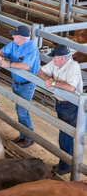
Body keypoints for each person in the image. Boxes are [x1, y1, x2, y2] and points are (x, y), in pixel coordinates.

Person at [38, 45, 83, 176]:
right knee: (64, 134)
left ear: (63, 58)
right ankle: (65, 162)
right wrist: (47, 79)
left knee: (66, 135)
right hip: (61, 103)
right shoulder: (56, 62)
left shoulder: (73, 67)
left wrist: (53, 84)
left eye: (55, 57)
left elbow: (71, 88)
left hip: (70, 105)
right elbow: (41, 72)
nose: (53, 59)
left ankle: (66, 165)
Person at [0, 25, 40, 149]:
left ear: (21, 38)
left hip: (27, 84)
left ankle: (29, 137)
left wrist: (8, 64)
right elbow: (3, 51)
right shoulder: (14, 44)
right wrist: (0, 56)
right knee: (19, 109)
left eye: (14, 35)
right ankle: (23, 134)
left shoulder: (31, 47)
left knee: (22, 111)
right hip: (16, 81)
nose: (12, 36)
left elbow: (27, 66)